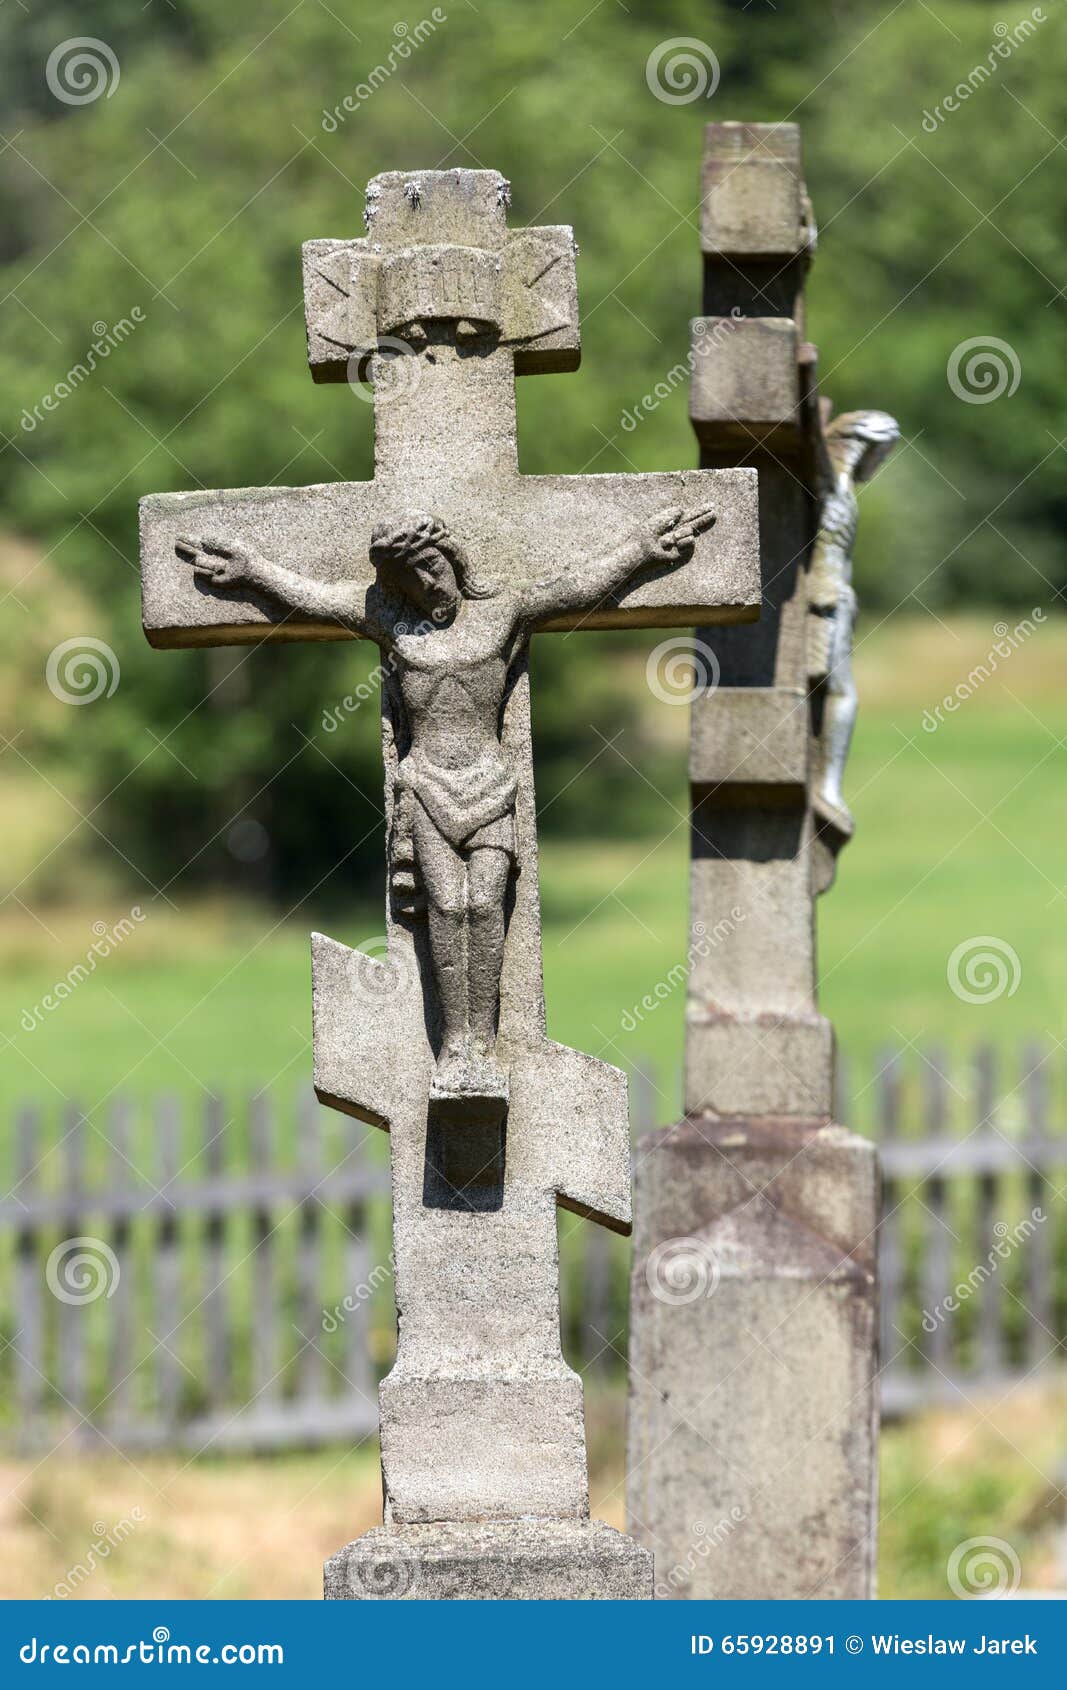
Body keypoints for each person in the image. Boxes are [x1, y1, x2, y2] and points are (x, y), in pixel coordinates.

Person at [177, 502, 715, 1099]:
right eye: (410, 580)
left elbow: (574, 588)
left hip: (489, 783)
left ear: (452, 557)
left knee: (485, 904)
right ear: (395, 588)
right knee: (444, 908)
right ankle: (454, 1047)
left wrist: (641, 548)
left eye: (431, 567)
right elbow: (317, 599)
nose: (427, 585)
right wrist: (252, 569)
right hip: (427, 785)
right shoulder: (389, 620)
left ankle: (481, 1046)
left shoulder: (502, 612)